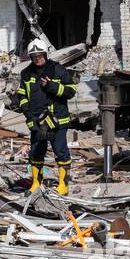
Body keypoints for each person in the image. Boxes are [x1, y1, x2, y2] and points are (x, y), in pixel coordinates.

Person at [14, 39, 76, 194]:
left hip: (57, 121)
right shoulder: (26, 73)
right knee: (36, 153)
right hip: (37, 122)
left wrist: (52, 87)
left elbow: (71, 90)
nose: (37, 58)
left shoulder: (57, 69)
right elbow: (21, 95)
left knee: (61, 152)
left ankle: (63, 185)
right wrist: (28, 115)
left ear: (45, 54)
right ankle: (36, 184)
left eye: (40, 55)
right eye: (34, 56)